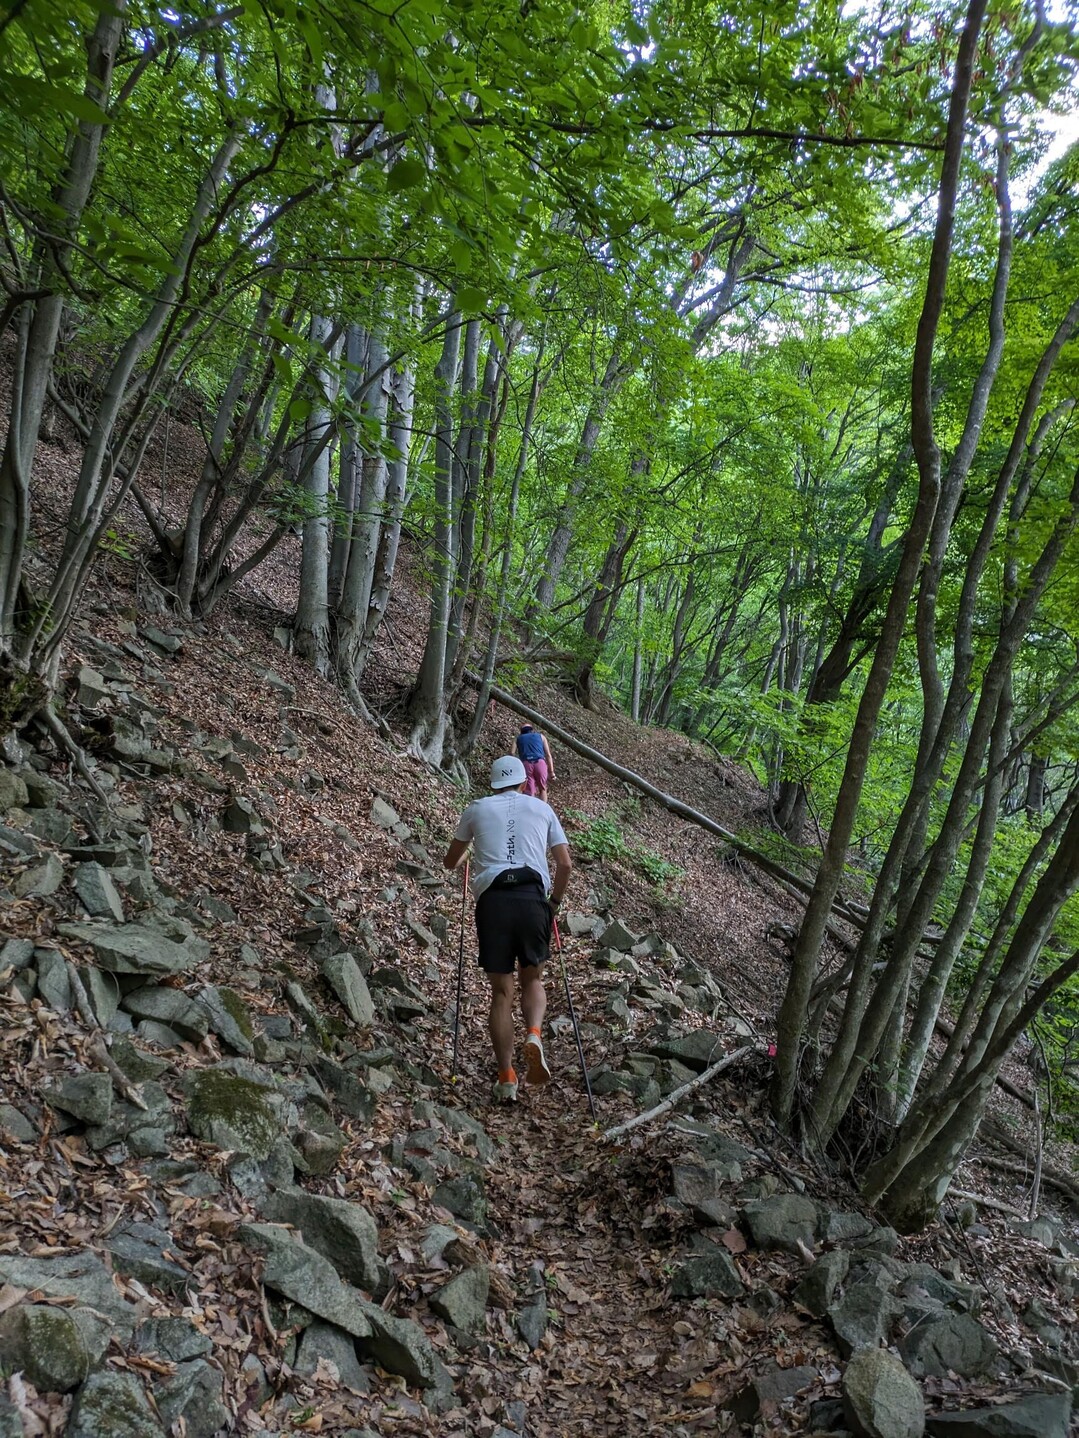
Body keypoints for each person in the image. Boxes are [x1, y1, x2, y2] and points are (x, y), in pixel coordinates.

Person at [443, 754, 572, 1103]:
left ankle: (507, 1077)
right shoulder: (542, 809)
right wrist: (553, 904)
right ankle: (534, 1033)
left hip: (494, 902)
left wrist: (467, 855)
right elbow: (564, 864)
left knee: (501, 993)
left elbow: (450, 860)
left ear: (493, 783)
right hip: (532, 899)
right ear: (523, 781)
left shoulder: (476, 808)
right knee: (533, 980)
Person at [515, 722, 556, 802]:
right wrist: (551, 772)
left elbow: (512, 752)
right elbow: (548, 755)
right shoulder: (541, 736)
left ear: (521, 731)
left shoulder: (518, 738)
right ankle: (543, 808)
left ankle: (531, 808)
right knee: (542, 788)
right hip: (540, 763)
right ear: (532, 730)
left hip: (526, 764)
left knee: (529, 791)